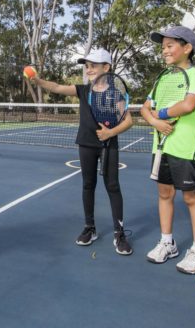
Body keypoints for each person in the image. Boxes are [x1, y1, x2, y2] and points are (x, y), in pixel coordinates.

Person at [29, 49, 133, 255]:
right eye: (87, 66)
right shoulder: (83, 91)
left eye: (94, 65)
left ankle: (119, 233)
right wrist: (39, 82)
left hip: (108, 145)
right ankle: (90, 228)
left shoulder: (116, 94)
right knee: (88, 185)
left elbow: (129, 120)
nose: (89, 69)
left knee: (112, 186)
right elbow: (57, 87)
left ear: (107, 68)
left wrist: (110, 132)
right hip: (86, 144)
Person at [140, 26, 195, 274]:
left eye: (170, 46)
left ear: (187, 48)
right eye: (162, 47)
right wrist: (156, 122)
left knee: (190, 197)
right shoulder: (162, 77)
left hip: (185, 148)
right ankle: (167, 242)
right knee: (164, 194)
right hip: (161, 147)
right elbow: (144, 108)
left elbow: (189, 105)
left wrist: (159, 114)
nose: (164, 51)